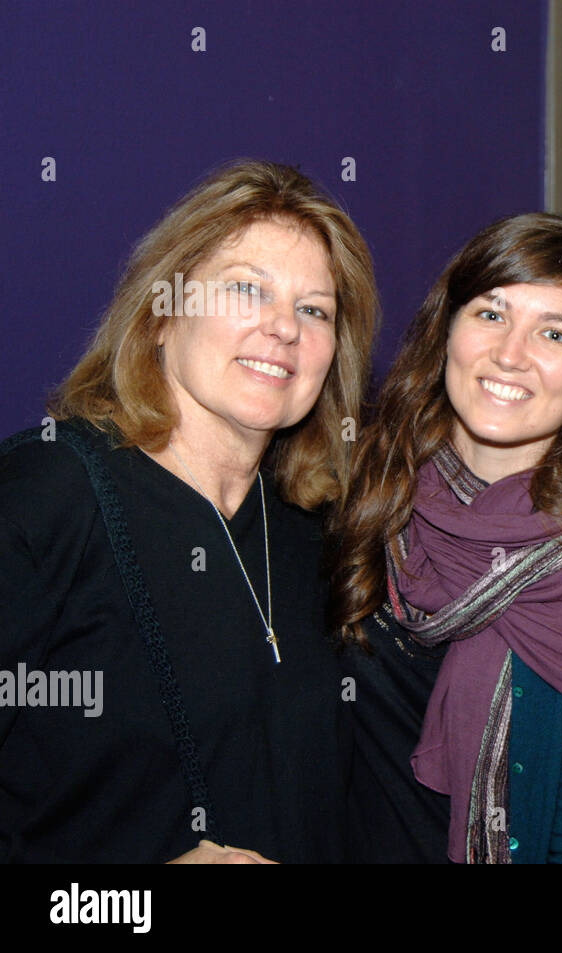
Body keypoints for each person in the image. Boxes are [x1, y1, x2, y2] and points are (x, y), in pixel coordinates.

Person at [0, 159, 379, 863]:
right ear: (161, 311)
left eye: (314, 309)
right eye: (246, 289)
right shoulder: (44, 496)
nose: (283, 329)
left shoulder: (318, 532)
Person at [331, 212, 562, 863]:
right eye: (490, 315)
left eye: (555, 333)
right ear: (448, 327)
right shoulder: (365, 495)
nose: (511, 353)